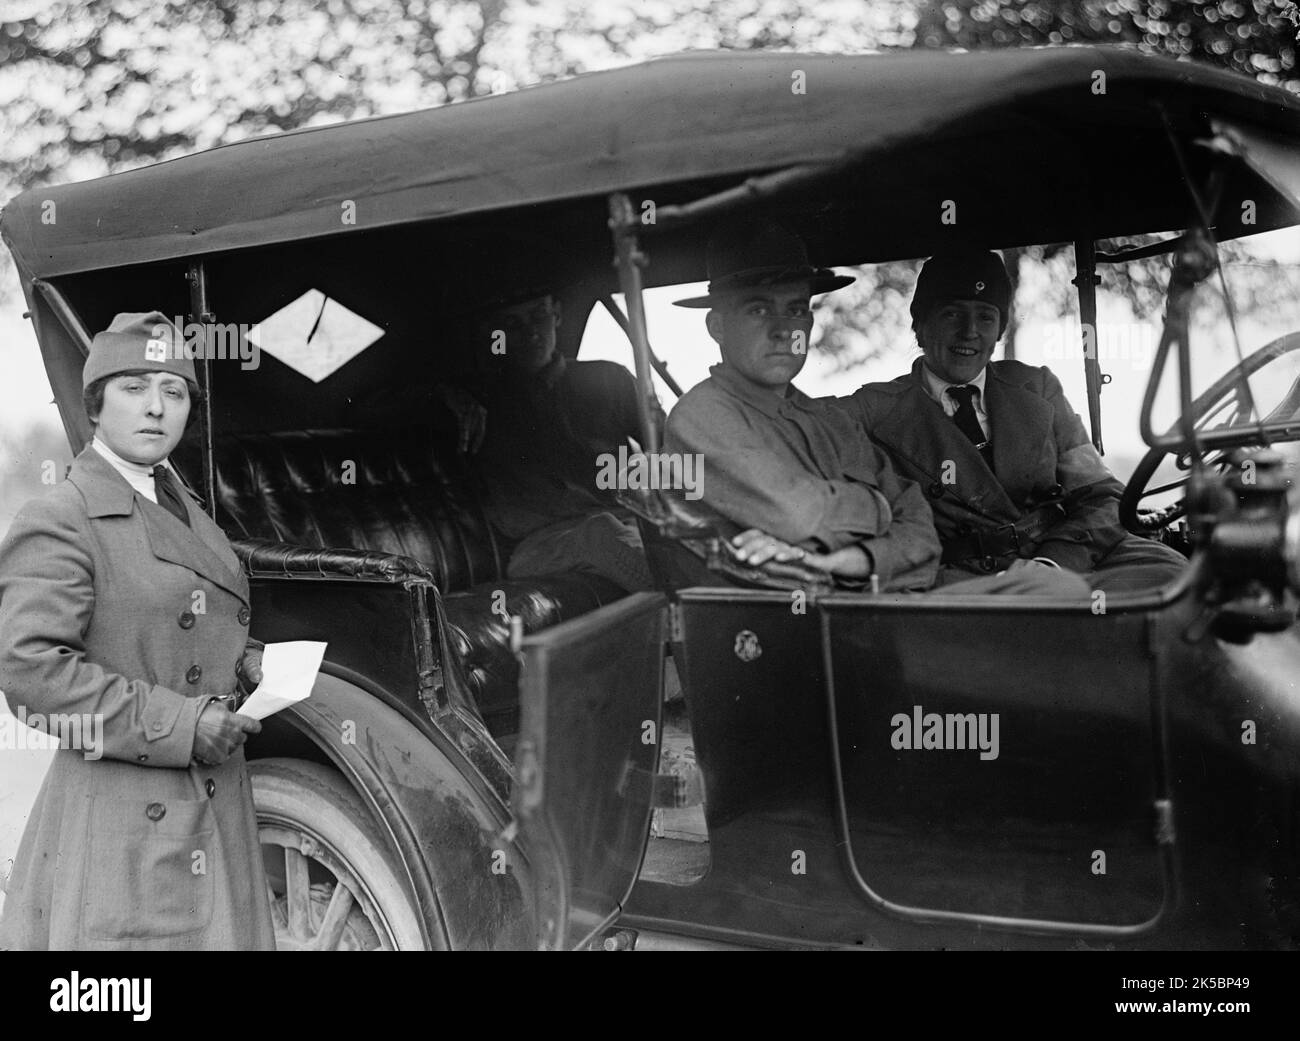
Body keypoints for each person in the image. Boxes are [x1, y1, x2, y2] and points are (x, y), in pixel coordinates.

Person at [0, 312, 275, 950]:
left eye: (173, 391)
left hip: (209, 800)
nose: (156, 408)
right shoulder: (62, 516)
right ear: (94, 406)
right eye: (133, 388)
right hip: (125, 816)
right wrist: (183, 725)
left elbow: (179, 627)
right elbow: (31, 674)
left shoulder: (179, 501)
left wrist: (248, 661)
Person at [664, 221, 1089, 597]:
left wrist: (843, 560)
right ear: (717, 326)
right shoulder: (702, 417)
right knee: (1059, 603)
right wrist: (880, 510)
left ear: (809, 325)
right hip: (802, 627)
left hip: (876, 595)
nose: (782, 330)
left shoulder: (826, 420)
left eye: (795, 310)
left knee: (1054, 588)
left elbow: (923, 539)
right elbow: (799, 517)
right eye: (757, 309)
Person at [832, 250, 1187, 593]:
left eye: (985, 317)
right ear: (920, 326)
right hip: (964, 579)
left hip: (1064, 556)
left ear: (1001, 329)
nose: (970, 331)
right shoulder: (873, 409)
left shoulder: (1037, 389)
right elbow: (791, 424)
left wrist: (1053, 563)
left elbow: (1101, 495)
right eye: (952, 315)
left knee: (1176, 581)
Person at [461, 290, 661, 592]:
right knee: (599, 534)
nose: (530, 333)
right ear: (495, 332)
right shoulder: (479, 399)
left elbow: (670, 446)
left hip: (629, 522)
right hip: (539, 544)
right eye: (512, 324)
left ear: (557, 313)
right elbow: (376, 405)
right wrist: (447, 398)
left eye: (538, 316)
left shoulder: (608, 379)